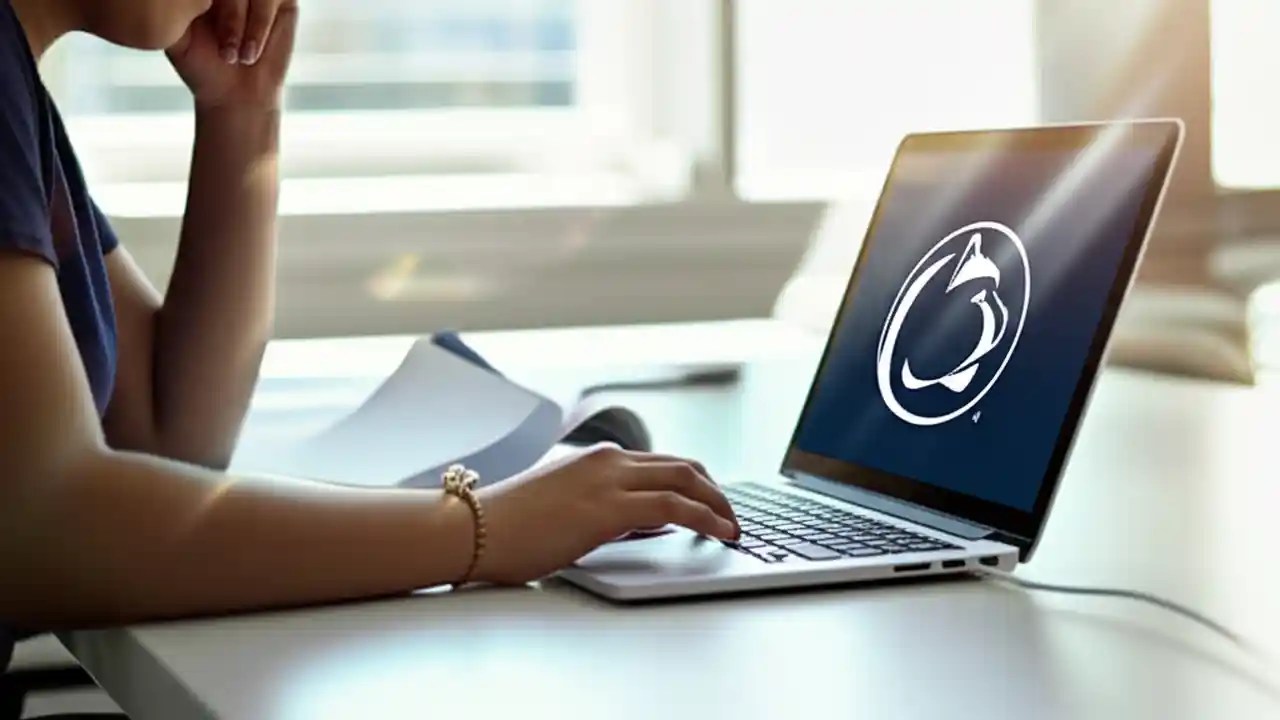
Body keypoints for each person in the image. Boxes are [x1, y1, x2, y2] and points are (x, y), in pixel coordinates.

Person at [0, 0, 739, 715]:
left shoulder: (19, 89)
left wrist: (243, 114)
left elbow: (167, 435)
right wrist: (483, 529)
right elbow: (44, 525)